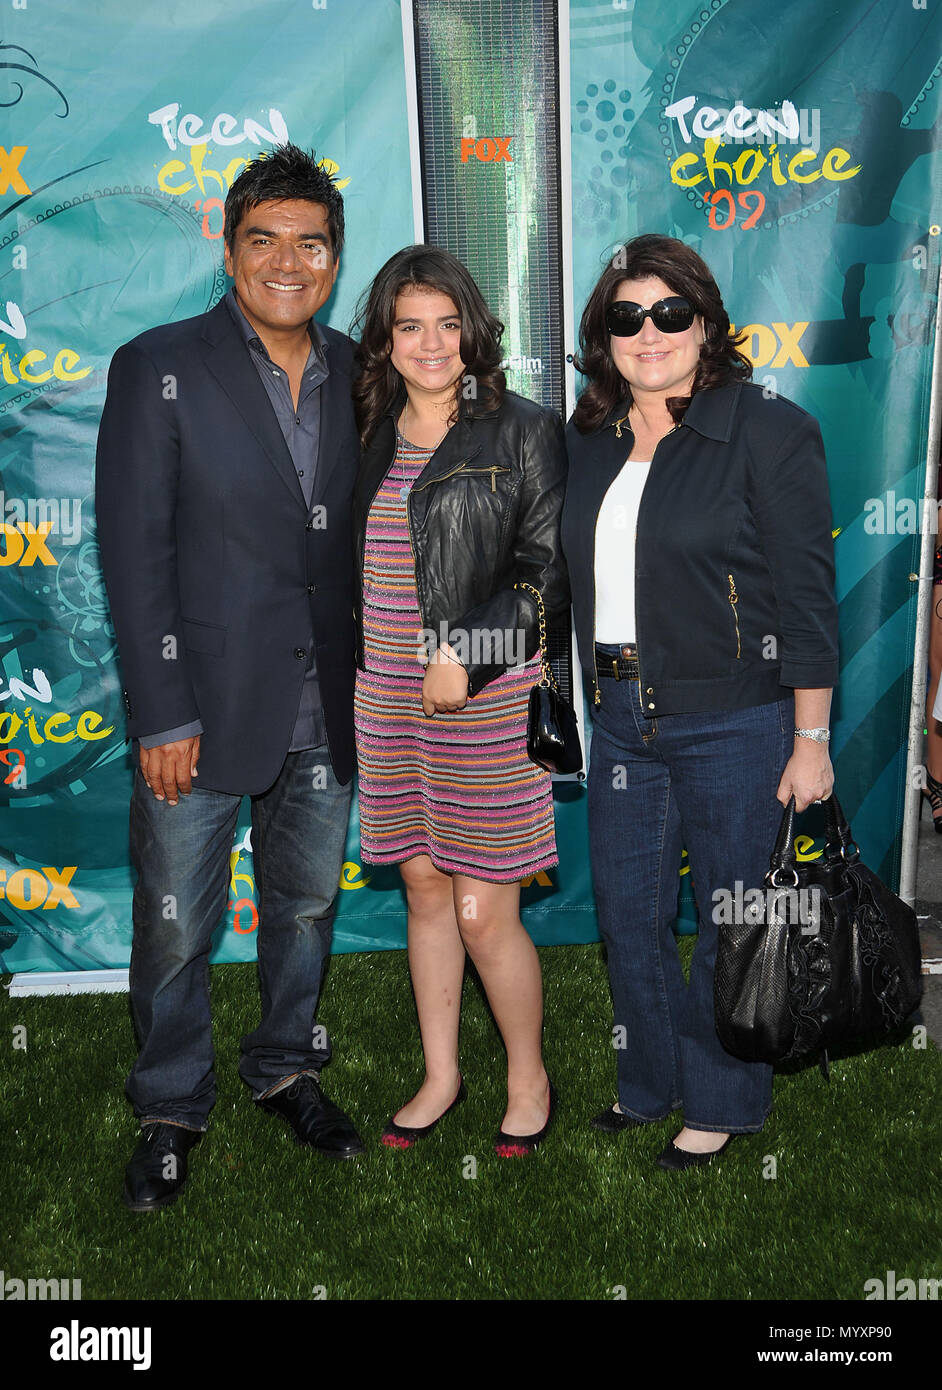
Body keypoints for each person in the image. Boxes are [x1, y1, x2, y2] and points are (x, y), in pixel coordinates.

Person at [95, 144, 364, 1212]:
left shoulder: (361, 370)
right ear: (230, 246)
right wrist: (162, 708)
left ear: (335, 258)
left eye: (310, 243)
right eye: (266, 240)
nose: (288, 262)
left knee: (303, 909)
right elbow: (133, 546)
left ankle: (285, 1064)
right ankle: (170, 1103)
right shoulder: (158, 363)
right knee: (174, 924)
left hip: (325, 711)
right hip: (197, 709)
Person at [561, 235, 839, 1169]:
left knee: (731, 914)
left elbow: (806, 602)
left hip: (736, 716)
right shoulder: (589, 436)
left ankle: (721, 1099)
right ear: (605, 334)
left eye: (671, 312)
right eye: (627, 316)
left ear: (707, 322)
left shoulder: (766, 428)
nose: (650, 333)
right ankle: (646, 1082)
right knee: (628, 915)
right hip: (619, 714)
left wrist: (811, 738)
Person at [351, 246, 568, 1155]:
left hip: (482, 701)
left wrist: (467, 657)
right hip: (386, 701)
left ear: (474, 330)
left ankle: (529, 1075)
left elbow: (548, 578)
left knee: (485, 909)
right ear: (386, 340)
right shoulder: (363, 431)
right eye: (410, 326)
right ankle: (441, 1073)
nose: (430, 343)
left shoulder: (521, 429)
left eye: (448, 323)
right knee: (424, 890)